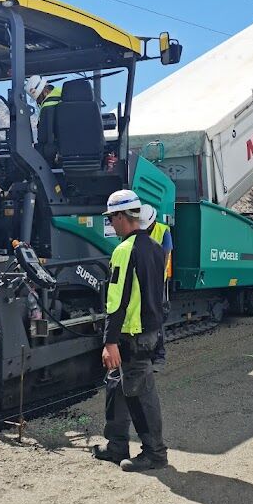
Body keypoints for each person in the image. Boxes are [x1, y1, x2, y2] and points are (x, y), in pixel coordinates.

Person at [93, 189, 169, 472]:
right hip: (148, 330)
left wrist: (109, 342)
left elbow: (117, 300)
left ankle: (155, 453)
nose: (110, 224)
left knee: (139, 393)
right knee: (117, 386)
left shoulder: (124, 251)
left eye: (111, 218)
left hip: (131, 335)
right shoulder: (155, 247)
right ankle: (116, 446)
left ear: (123, 216)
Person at [140, 204, 173, 372]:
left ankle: (159, 356)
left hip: (159, 279)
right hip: (144, 278)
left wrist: (157, 278)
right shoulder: (140, 229)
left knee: (157, 314)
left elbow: (166, 254)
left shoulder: (163, 230)